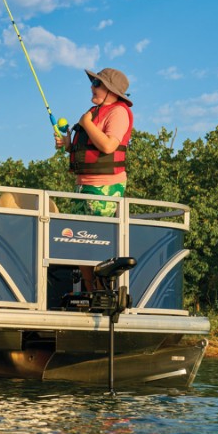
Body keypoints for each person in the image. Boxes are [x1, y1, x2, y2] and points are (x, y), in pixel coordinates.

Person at [56, 68, 133, 290]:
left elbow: (109, 145)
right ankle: (91, 292)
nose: (92, 87)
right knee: (79, 245)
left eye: (97, 84)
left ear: (111, 90)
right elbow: (89, 145)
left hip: (105, 188)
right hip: (84, 187)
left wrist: (85, 123)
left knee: (93, 243)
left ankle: (102, 292)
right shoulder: (94, 111)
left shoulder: (117, 112)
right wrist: (68, 145)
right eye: (93, 83)